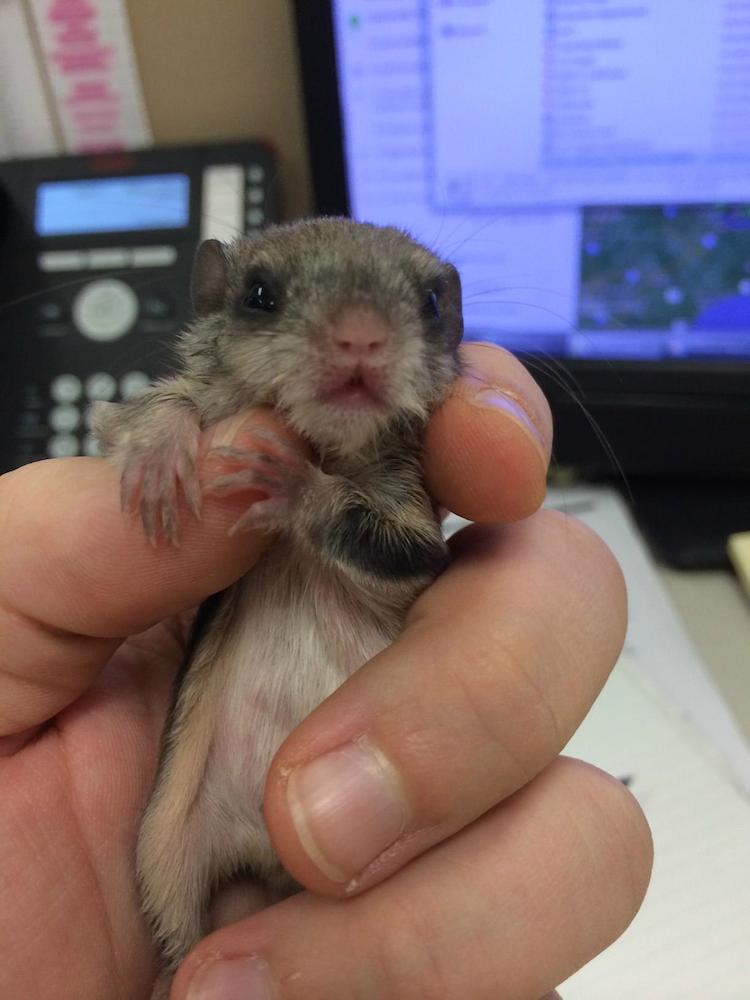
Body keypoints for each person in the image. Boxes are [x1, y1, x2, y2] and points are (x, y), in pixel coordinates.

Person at [0, 344, 651, 1000]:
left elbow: (407, 554)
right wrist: (161, 437)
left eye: (409, 309)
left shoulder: (401, 459)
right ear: (219, 311)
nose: (356, 346)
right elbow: (128, 422)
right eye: (266, 298)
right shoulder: (218, 420)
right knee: (174, 866)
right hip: (205, 793)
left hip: (346, 813)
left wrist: (314, 500)